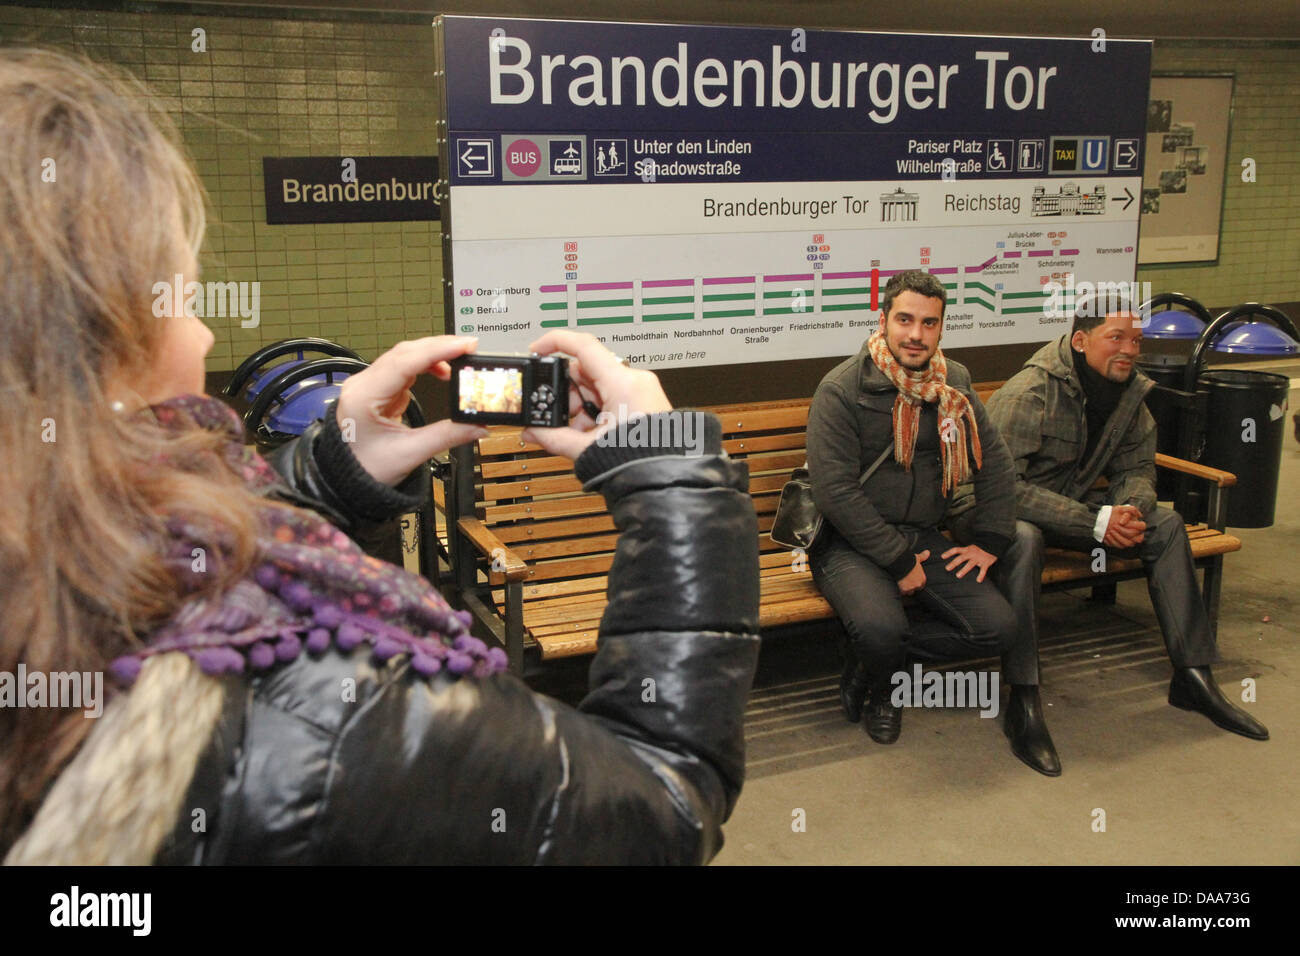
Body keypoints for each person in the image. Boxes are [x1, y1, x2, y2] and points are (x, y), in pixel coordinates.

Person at [0, 47, 761, 865]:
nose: (208, 332)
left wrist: (332, 472)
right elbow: (664, 806)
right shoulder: (329, 707)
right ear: (96, 347)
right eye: (180, 301)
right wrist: (676, 480)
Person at [986, 296, 1269, 762]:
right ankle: (1024, 700)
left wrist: (1128, 512)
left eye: (1136, 340)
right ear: (1080, 341)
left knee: (1167, 524)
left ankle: (1193, 676)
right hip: (1013, 516)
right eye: (1115, 338)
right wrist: (1096, 521)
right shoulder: (1029, 393)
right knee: (1025, 539)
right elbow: (1002, 491)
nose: (1129, 349)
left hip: (1082, 512)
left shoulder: (1130, 393)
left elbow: (1138, 468)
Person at [806, 270, 1055, 772]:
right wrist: (897, 561)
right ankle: (884, 692)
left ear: (941, 329)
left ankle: (869, 661)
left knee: (997, 628)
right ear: (883, 321)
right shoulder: (842, 389)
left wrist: (990, 538)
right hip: (847, 542)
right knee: (880, 628)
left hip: (920, 535)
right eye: (904, 320)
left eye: (928, 323)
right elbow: (835, 492)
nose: (915, 334)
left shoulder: (953, 383)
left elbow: (997, 463)